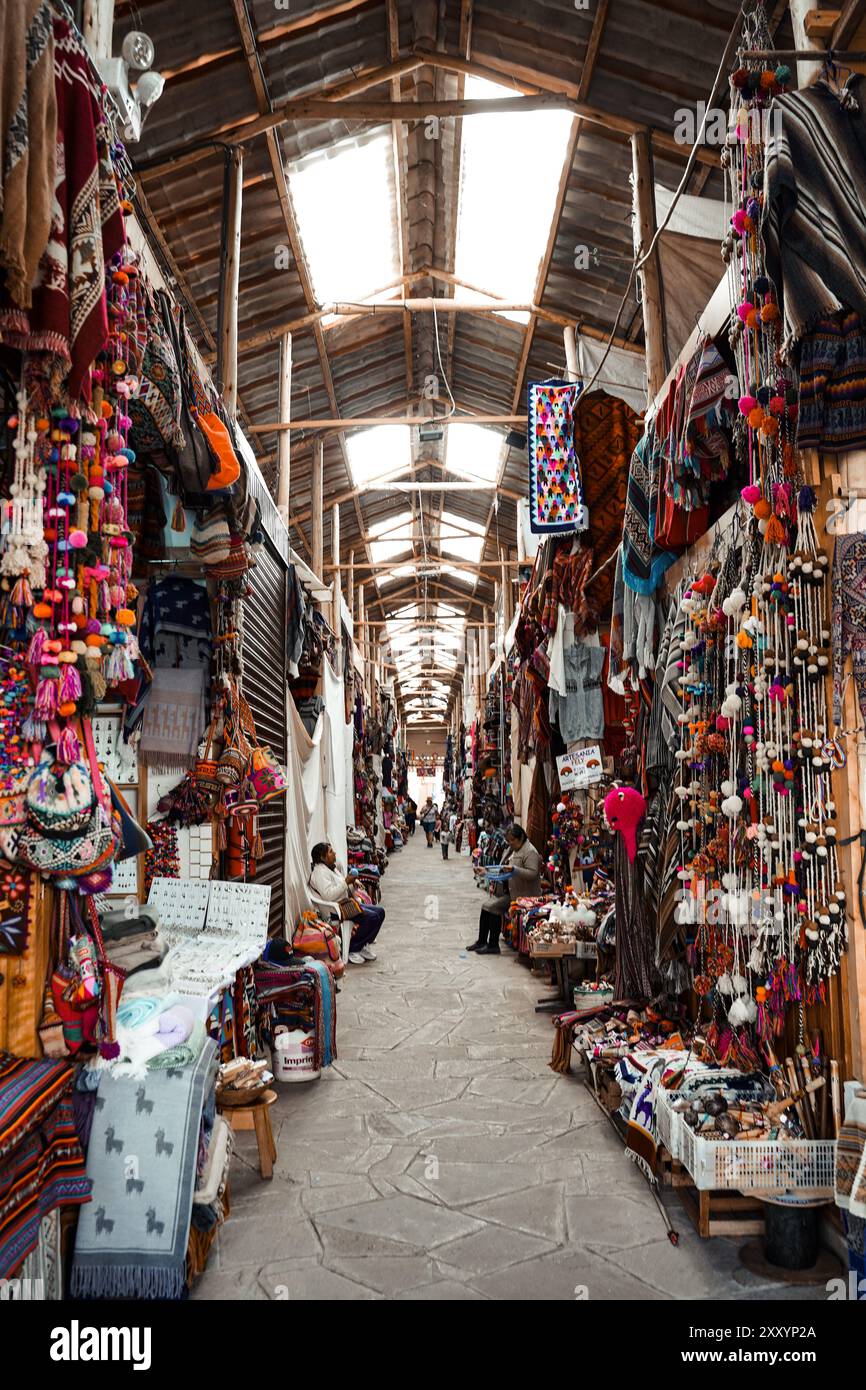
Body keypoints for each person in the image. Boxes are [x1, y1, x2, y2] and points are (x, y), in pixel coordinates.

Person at [468, 823, 543, 956]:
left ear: (520, 838)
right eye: (508, 841)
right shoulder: (513, 850)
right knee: (486, 906)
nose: (510, 843)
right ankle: (481, 941)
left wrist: (515, 870)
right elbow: (503, 867)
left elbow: (532, 873)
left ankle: (493, 945)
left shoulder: (530, 852)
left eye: (511, 840)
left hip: (524, 896)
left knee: (493, 907)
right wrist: (485, 871)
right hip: (512, 892)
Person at [309, 842, 384, 965]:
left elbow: (344, 888)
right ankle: (353, 949)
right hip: (336, 909)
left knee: (380, 912)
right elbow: (328, 895)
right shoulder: (319, 872)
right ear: (322, 857)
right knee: (372, 917)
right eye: (330, 852)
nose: (334, 854)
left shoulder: (331, 868)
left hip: (345, 903)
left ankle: (363, 945)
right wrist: (346, 882)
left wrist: (352, 884)